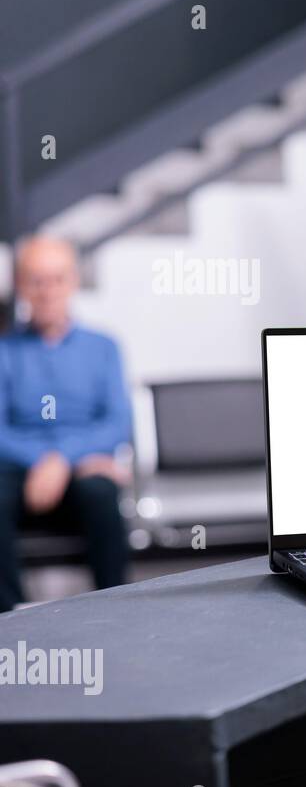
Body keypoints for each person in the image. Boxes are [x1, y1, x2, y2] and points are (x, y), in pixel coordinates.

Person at [0, 236, 133, 611]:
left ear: (73, 282)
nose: (47, 291)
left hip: (80, 468)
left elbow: (117, 423)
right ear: (21, 286)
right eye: (36, 281)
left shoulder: (104, 347)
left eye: (57, 279)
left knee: (101, 491)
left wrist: (61, 458)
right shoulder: (5, 351)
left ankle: (115, 607)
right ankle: (11, 621)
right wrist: (41, 461)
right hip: (17, 472)